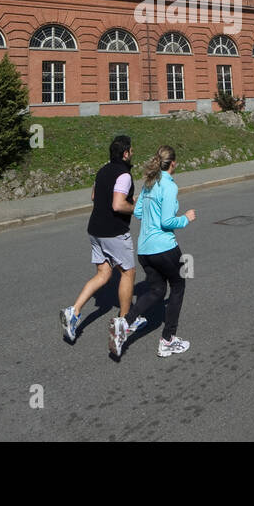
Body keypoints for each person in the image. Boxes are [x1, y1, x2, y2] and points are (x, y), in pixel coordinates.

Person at [109, 145, 195, 358]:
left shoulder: (149, 183)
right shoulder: (169, 186)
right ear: (173, 163)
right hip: (164, 247)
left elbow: (137, 211)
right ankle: (168, 340)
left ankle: (125, 323)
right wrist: (186, 218)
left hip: (145, 250)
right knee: (178, 286)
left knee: (157, 291)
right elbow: (167, 221)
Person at [60, 135, 136, 343]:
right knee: (128, 273)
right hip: (114, 231)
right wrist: (135, 208)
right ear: (125, 153)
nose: (132, 154)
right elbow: (118, 205)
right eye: (131, 150)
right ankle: (124, 323)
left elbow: (94, 196)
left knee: (104, 273)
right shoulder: (124, 175)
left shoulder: (102, 170)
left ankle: (73, 312)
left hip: (94, 229)